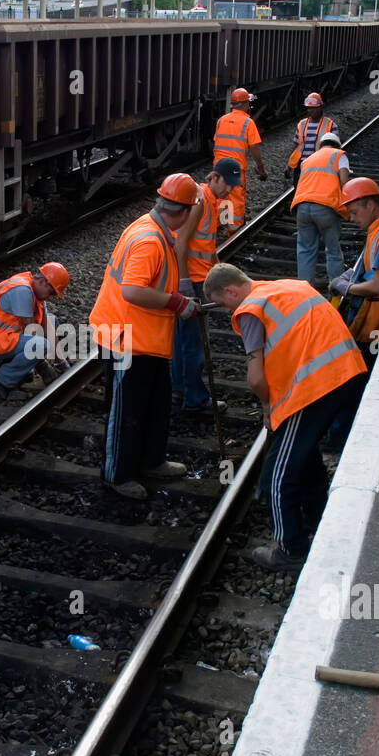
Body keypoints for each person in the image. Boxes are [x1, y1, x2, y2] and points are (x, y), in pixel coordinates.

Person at [203, 263, 367, 572]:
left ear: (231, 290)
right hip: (347, 371)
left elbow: (254, 378)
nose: (229, 314)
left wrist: (268, 407)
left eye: (225, 305)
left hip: (316, 386)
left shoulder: (250, 308)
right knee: (304, 457)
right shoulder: (290, 287)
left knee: (277, 475)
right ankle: (319, 516)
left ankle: (291, 550)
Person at [89, 174, 201, 500]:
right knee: (126, 412)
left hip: (146, 339)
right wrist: (177, 302)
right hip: (126, 340)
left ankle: (152, 460)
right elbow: (132, 290)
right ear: (183, 211)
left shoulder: (152, 228)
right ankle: (116, 474)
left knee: (156, 404)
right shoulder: (150, 240)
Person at [322, 177, 379, 451]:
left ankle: (339, 440)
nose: (351, 218)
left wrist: (347, 289)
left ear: (371, 204)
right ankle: (338, 435)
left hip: (377, 322)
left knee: (354, 381)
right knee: (353, 379)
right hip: (372, 317)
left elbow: (378, 285)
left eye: (354, 212)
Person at [171, 161, 238, 414]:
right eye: (228, 185)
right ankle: (195, 399)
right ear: (215, 177)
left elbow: (207, 248)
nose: (230, 192)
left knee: (182, 339)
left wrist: (220, 275)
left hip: (200, 278)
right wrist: (185, 284)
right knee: (194, 343)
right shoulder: (200, 201)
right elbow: (181, 243)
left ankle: (178, 391)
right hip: (192, 282)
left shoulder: (209, 202)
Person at [0, 262, 71, 400]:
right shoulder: (22, 291)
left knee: (51, 320)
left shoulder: (34, 289)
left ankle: (15, 363)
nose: (50, 297)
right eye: (51, 293)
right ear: (42, 281)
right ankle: (2, 381)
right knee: (40, 345)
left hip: (5, 336)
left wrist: (62, 363)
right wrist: (43, 365)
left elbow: (47, 327)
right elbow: (30, 333)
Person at [290, 131, 351, 284]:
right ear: (337, 145)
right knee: (333, 251)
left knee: (305, 250)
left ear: (321, 145)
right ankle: (336, 290)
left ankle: (304, 290)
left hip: (302, 207)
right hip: (326, 207)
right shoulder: (339, 155)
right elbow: (345, 182)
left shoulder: (309, 159)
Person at [212, 88, 268, 230]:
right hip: (235, 168)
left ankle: (219, 224)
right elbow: (254, 148)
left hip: (219, 166)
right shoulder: (248, 123)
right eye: (248, 103)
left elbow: (217, 142)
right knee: (235, 199)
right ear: (244, 104)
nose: (249, 105)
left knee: (220, 197)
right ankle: (233, 232)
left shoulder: (221, 121)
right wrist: (260, 167)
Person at [287, 92, 339, 178]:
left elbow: (335, 150)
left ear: (320, 107)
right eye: (309, 108)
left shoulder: (331, 125)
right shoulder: (302, 124)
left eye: (314, 108)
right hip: (301, 165)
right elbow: (295, 146)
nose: (310, 110)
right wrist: (289, 166)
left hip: (319, 165)